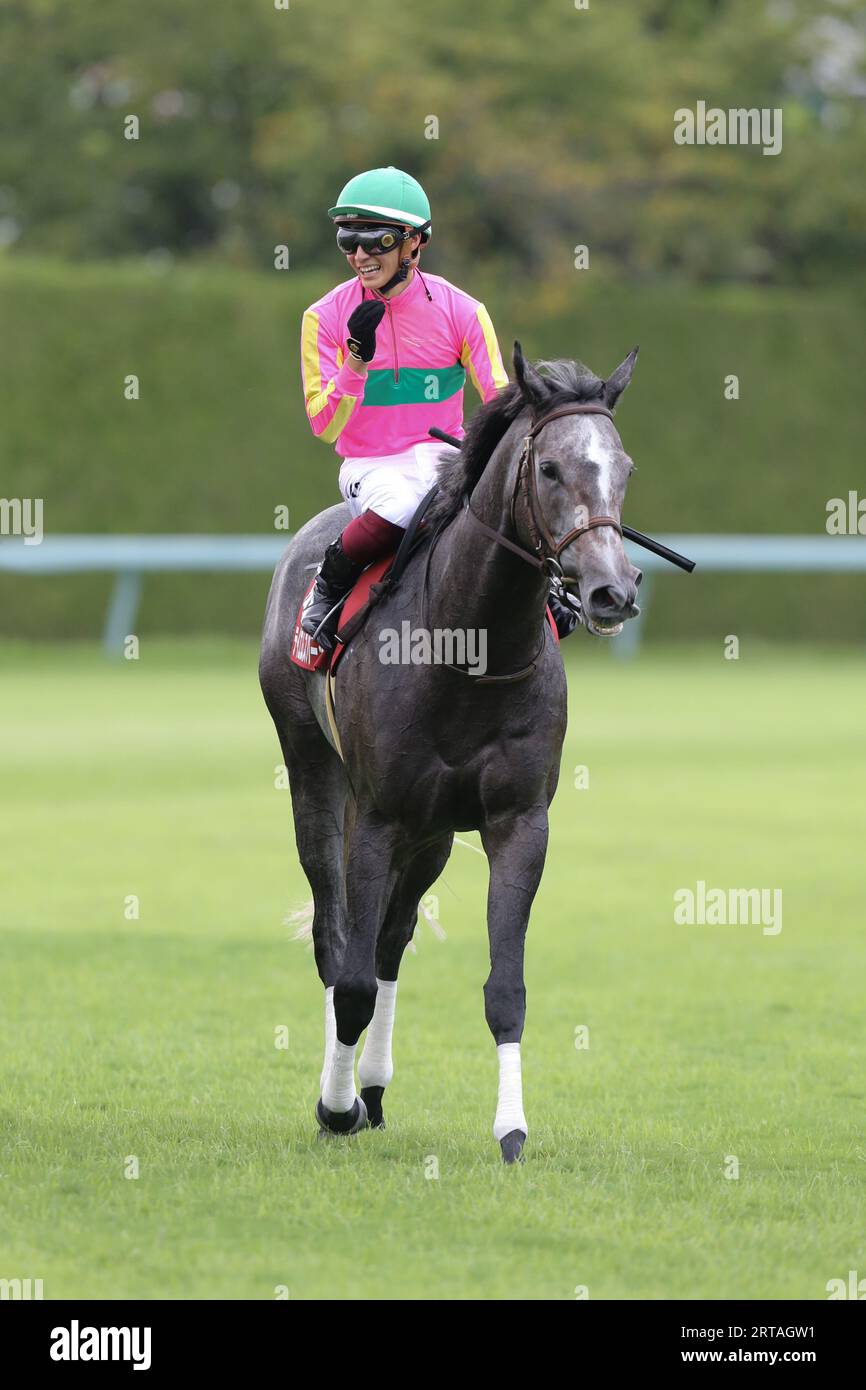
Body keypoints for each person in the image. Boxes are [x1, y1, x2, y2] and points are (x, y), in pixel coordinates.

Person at [299, 165, 579, 648]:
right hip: (370, 464)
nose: (360, 255)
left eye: (376, 240)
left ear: (414, 242)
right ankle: (326, 585)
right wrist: (356, 363)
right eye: (349, 240)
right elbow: (324, 426)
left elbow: (498, 401)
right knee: (403, 507)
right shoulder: (323, 317)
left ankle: (549, 588)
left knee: (502, 503)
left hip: (445, 457)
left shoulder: (464, 311)